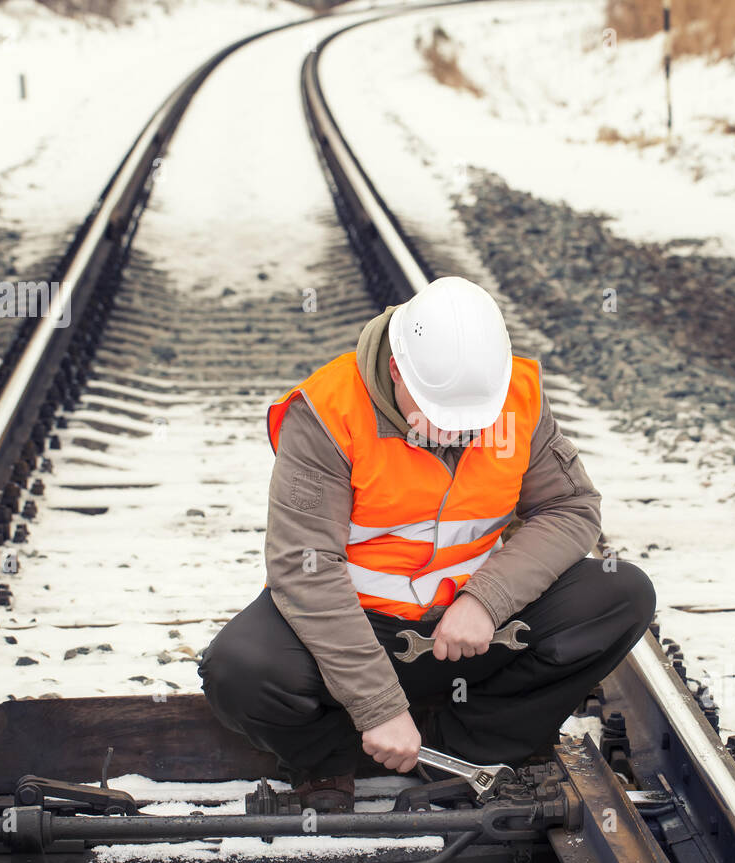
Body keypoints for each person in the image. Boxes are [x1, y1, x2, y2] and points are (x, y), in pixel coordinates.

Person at [199, 276, 655, 811]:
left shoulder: (514, 395)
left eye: (471, 423)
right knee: (239, 668)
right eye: (439, 418)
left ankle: (464, 753)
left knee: (620, 593)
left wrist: (488, 599)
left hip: (468, 635)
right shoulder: (327, 412)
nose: (457, 435)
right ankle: (324, 765)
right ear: (396, 368)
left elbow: (570, 507)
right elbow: (306, 568)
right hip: (355, 630)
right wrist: (377, 705)